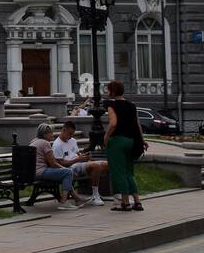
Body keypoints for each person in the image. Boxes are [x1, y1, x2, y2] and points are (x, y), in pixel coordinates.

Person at [104, 80, 146, 212]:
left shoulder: (111, 105)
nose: (107, 92)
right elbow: (137, 124)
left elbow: (113, 123)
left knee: (119, 172)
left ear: (113, 91)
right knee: (129, 172)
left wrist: (106, 136)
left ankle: (126, 203)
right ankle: (137, 202)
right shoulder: (131, 105)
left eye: (108, 89)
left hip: (117, 141)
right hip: (131, 141)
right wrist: (143, 140)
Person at [52, 121, 109, 206]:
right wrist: (78, 159)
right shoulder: (57, 145)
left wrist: (85, 157)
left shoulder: (72, 140)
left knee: (108, 164)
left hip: (79, 164)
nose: (71, 136)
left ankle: (99, 193)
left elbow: (77, 154)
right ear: (63, 130)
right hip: (70, 168)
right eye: (70, 133)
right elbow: (61, 164)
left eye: (72, 134)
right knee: (96, 166)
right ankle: (95, 195)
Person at [30, 123, 86, 209]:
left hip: (33, 172)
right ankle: (64, 202)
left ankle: (77, 199)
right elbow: (53, 163)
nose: (53, 134)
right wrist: (65, 169)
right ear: (45, 134)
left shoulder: (34, 141)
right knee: (68, 172)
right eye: (51, 133)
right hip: (40, 172)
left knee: (66, 173)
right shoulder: (45, 143)